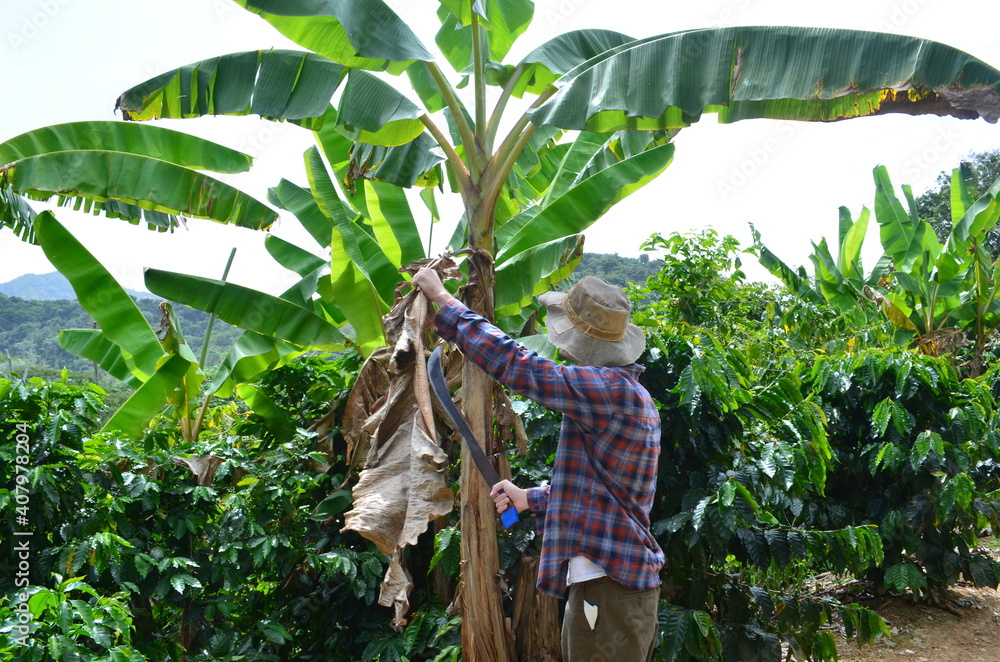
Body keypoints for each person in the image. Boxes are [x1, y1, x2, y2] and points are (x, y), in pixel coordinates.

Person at [413, 268, 664, 662]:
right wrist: (530, 498)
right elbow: (604, 495)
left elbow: (521, 366)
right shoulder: (624, 395)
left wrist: (446, 304)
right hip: (610, 589)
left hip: (609, 591)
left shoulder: (609, 393)